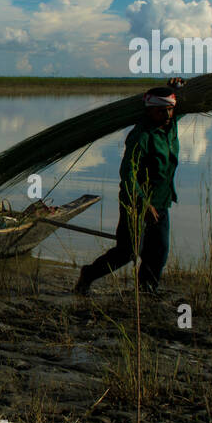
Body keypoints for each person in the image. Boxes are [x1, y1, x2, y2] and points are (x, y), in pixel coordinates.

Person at [74, 78, 184, 296]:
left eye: (170, 110)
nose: (167, 115)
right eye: (162, 111)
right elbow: (128, 176)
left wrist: (177, 88)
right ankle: (88, 274)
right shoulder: (141, 137)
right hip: (135, 202)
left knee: (158, 252)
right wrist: (144, 205)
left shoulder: (170, 127)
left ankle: (146, 291)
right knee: (128, 252)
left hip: (161, 200)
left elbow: (184, 105)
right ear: (150, 111)